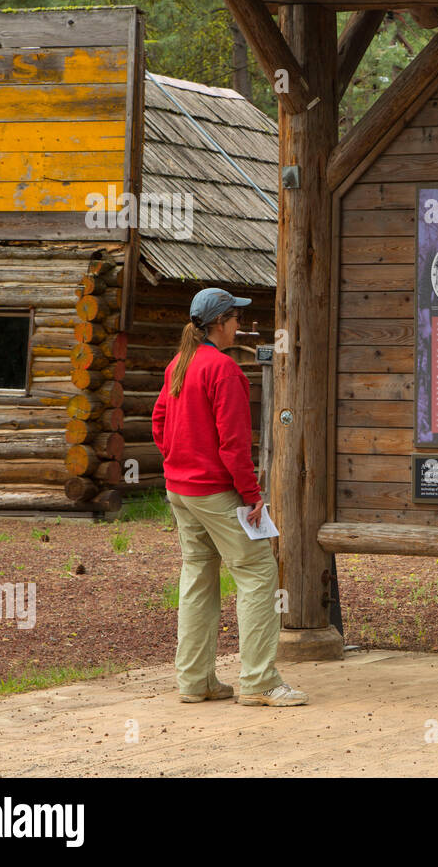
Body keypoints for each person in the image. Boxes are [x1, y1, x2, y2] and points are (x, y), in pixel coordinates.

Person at [152, 288, 308, 707]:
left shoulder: (179, 364)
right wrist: (253, 495)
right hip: (215, 491)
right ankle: (259, 682)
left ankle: (195, 681)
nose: (240, 324)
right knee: (258, 573)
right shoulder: (224, 370)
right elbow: (234, 445)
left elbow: (159, 421)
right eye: (236, 318)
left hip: (180, 490)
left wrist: (177, 459)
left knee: (198, 576)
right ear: (219, 323)